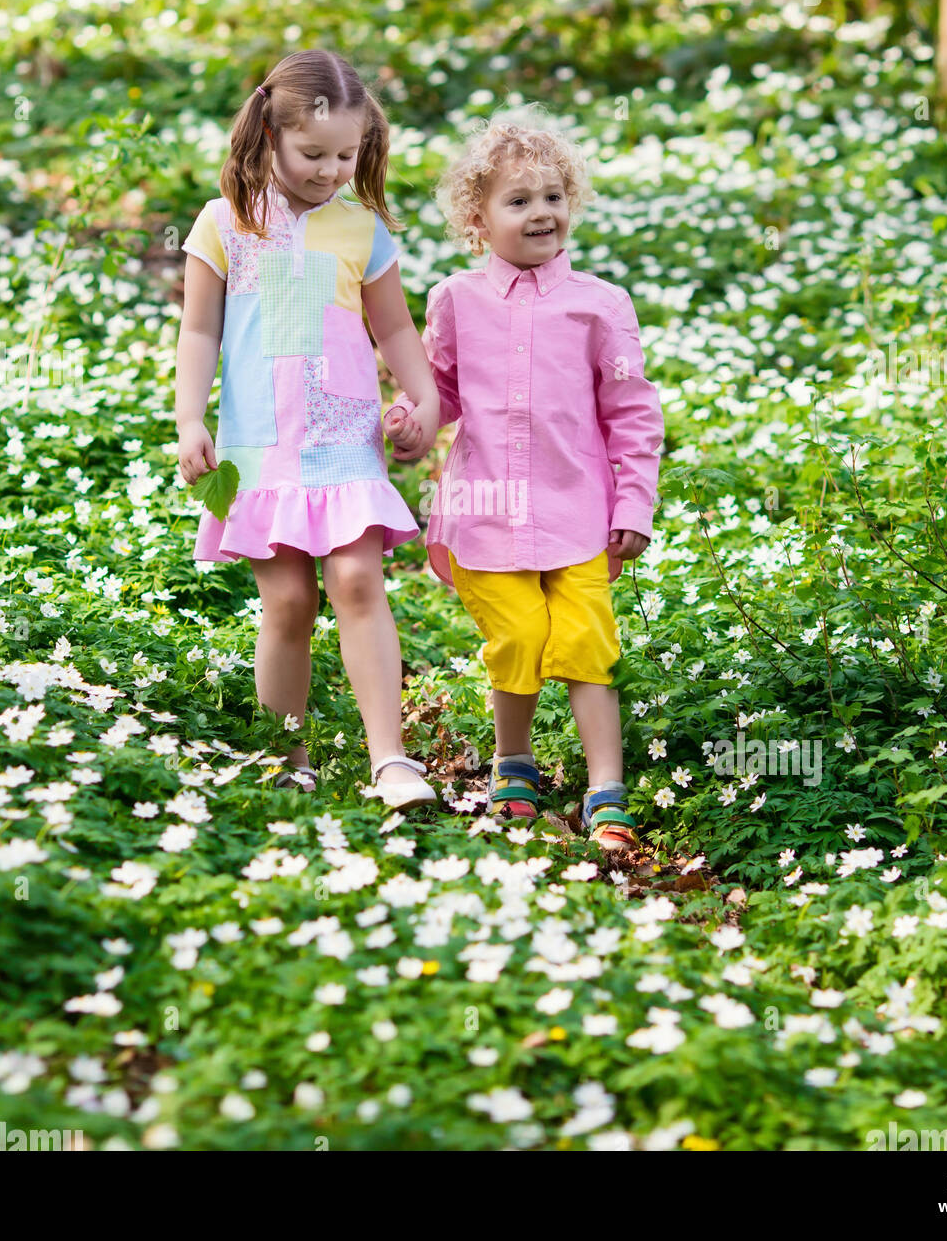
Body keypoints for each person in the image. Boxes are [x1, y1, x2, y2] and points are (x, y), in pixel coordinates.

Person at [385, 107, 664, 851]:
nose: (541, 212)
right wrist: (413, 427)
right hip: (486, 510)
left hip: (579, 510)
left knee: (584, 641)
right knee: (518, 635)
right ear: (478, 219)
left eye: (553, 197)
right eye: (519, 200)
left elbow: (632, 412)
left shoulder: (600, 305)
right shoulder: (453, 300)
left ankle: (607, 787)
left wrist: (634, 499)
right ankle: (515, 762)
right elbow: (437, 390)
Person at [175, 49, 441, 811]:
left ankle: (389, 759)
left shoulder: (361, 228)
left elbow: (395, 332)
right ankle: (286, 755)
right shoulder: (224, 223)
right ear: (269, 134)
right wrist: (190, 417)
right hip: (259, 445)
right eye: (313, 153)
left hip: (344, 438)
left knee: (357, 580)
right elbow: (198, 332)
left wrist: (421, 402)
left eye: (346, 155)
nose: (330, 170)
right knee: (288, 601)